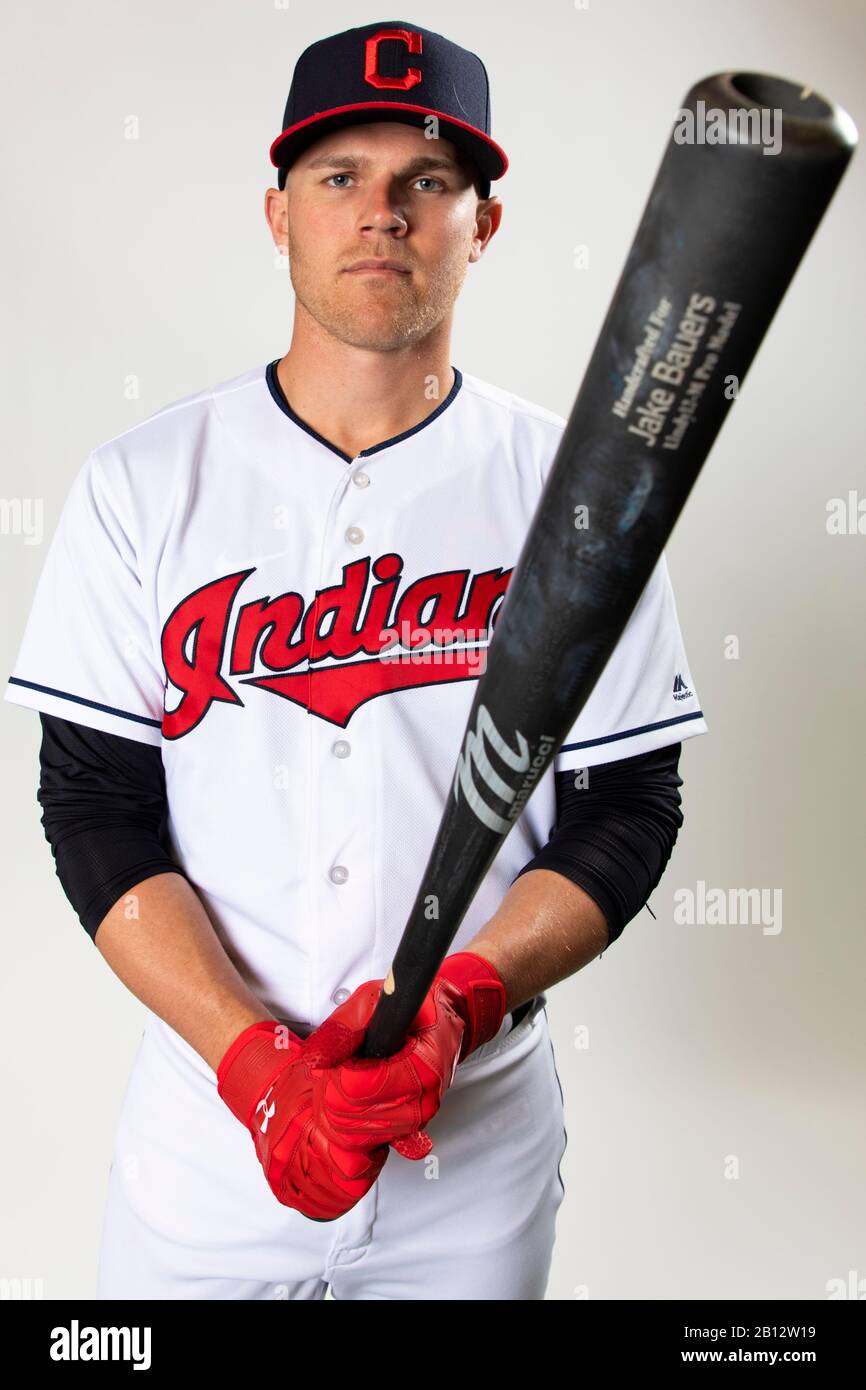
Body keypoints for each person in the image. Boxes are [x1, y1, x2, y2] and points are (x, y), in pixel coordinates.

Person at [5, 20, 707, 1300]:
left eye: (425, 181)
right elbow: (95, 809)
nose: (379, 213)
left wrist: (463, 1002)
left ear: (482, 224)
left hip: (473, 1145)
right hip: (208, 1142)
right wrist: (255, 1072)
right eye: (339, 178)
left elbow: (624, 810)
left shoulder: (580, 493)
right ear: (276, 214)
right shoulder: (143, 486)